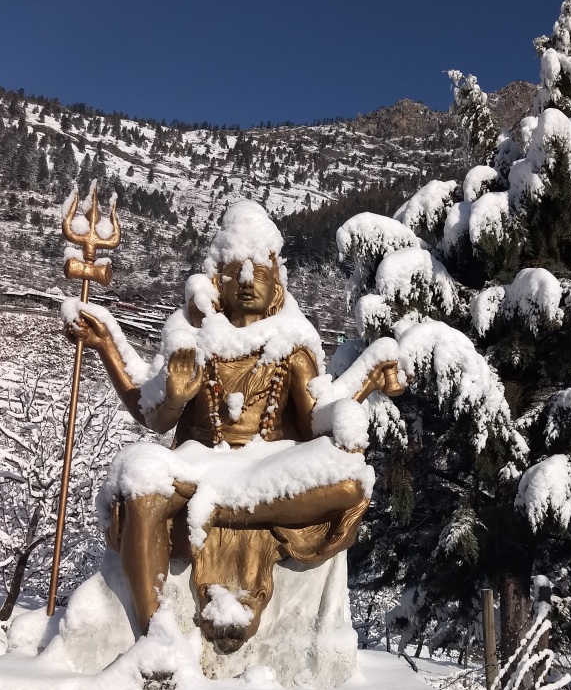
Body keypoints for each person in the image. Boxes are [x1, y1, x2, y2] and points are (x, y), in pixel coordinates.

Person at [66, 202, 401, 653]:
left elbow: (316, 422)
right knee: (140, 484)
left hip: (267, 472)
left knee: (350, 481)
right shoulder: (191, 339)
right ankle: (154, 639)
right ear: (216, 281)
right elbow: (153, 414)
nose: (246, 280)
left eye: (258, 271)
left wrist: (366, 378)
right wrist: (114, 349)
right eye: (234, 271)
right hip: (197, 467)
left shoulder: (291, 346)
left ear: (276, 284)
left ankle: (220, 509)